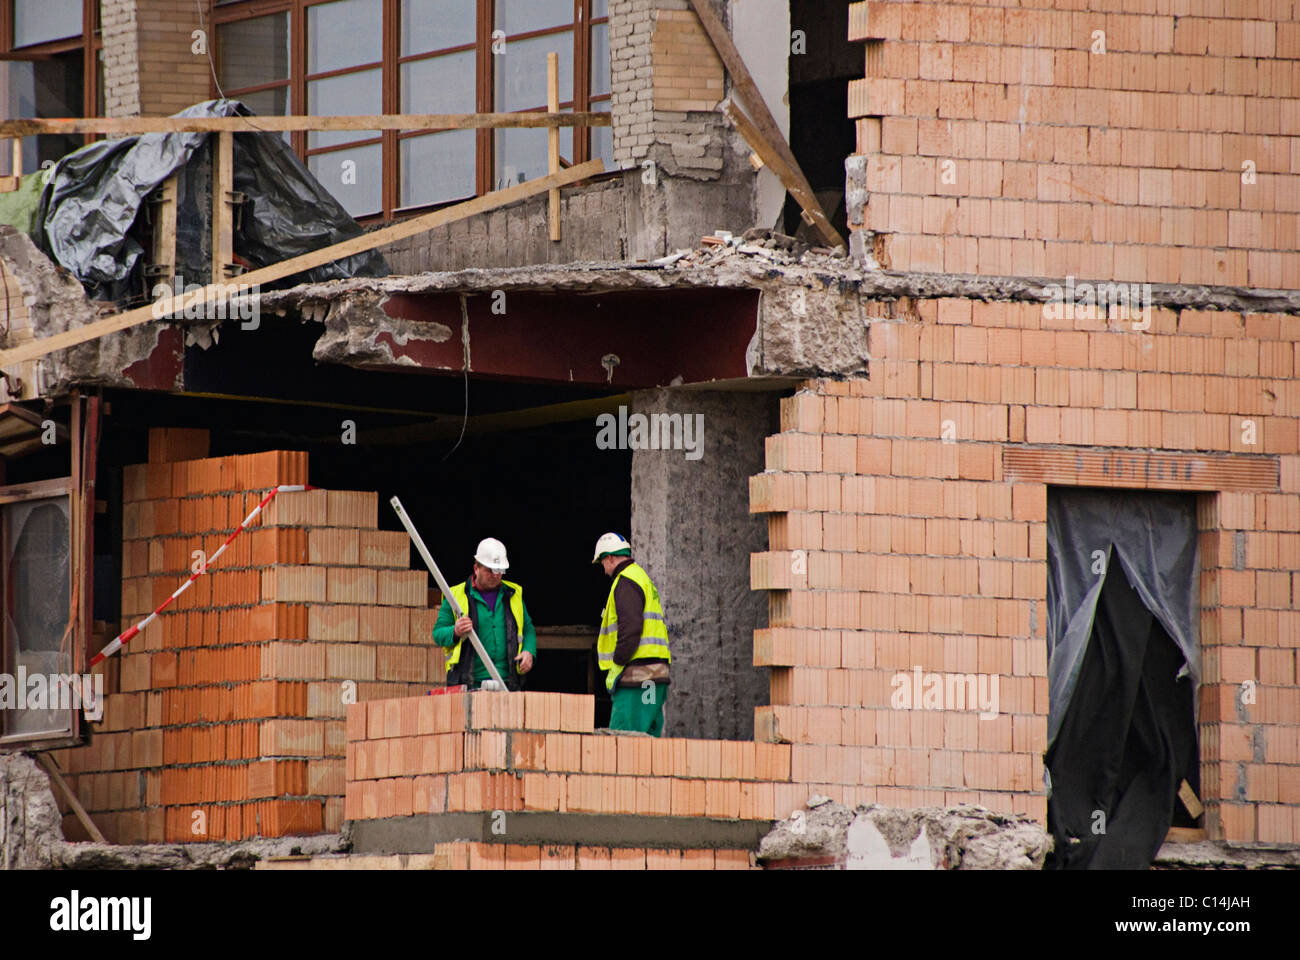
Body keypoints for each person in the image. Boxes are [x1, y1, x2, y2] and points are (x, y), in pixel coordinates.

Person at [592, 533, 671, 735]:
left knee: (625, 742)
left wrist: (618, 662)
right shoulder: (640, 577)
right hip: (653, 678)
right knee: (648, 739)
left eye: (602, 562)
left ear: (610, 558)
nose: (603, 569)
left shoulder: (625, 582)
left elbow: (631, 628)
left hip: (639, 678)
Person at [434, 537, 536, 691]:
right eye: (491, 570)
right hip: (469, 686)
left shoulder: (513, 594)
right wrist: (455, 631)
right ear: (476, 568)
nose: (496, 575)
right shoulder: (455, 596)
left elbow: (527, 629)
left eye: (500, 570)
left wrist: (529, 651)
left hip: (508, 685)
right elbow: (438, 634)